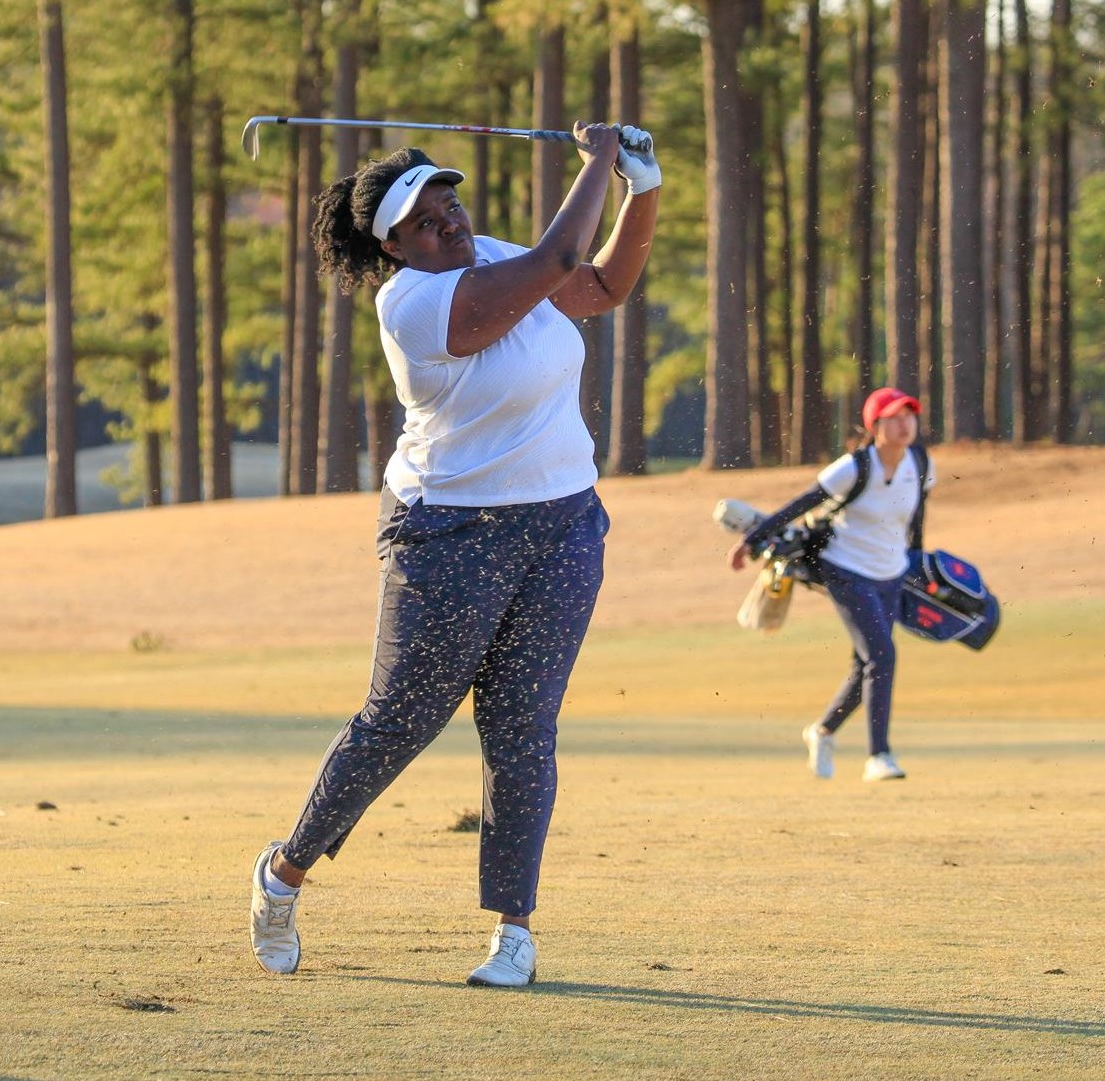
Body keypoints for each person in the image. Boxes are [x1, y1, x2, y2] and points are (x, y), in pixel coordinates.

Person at [249, 122, 661, 988]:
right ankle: (283, 873)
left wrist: (641, 189)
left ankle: (513, 931)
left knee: (522, 730)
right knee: (398, 721)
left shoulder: (497, 251)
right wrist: (594, 161)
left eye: (452, 206)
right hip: (450, 531)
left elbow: (600, 286)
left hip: (560, 524)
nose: (451, 226)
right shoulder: (410, 304)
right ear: (393, 245)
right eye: (428, 224)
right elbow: (556, 263)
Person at [728, 387, 936, 782]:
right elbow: (799, 505)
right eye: (893, 417)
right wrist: (751, 542)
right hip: (845, 570)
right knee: (883, 657)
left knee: (868, 666)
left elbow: (916, 523)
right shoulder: (855, 467)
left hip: (890, 574)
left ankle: (822, 731)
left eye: (909, 415)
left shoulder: (921, 462)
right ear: (875, 425)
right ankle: (880, 756)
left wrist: (918, 565)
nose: (904, 423)